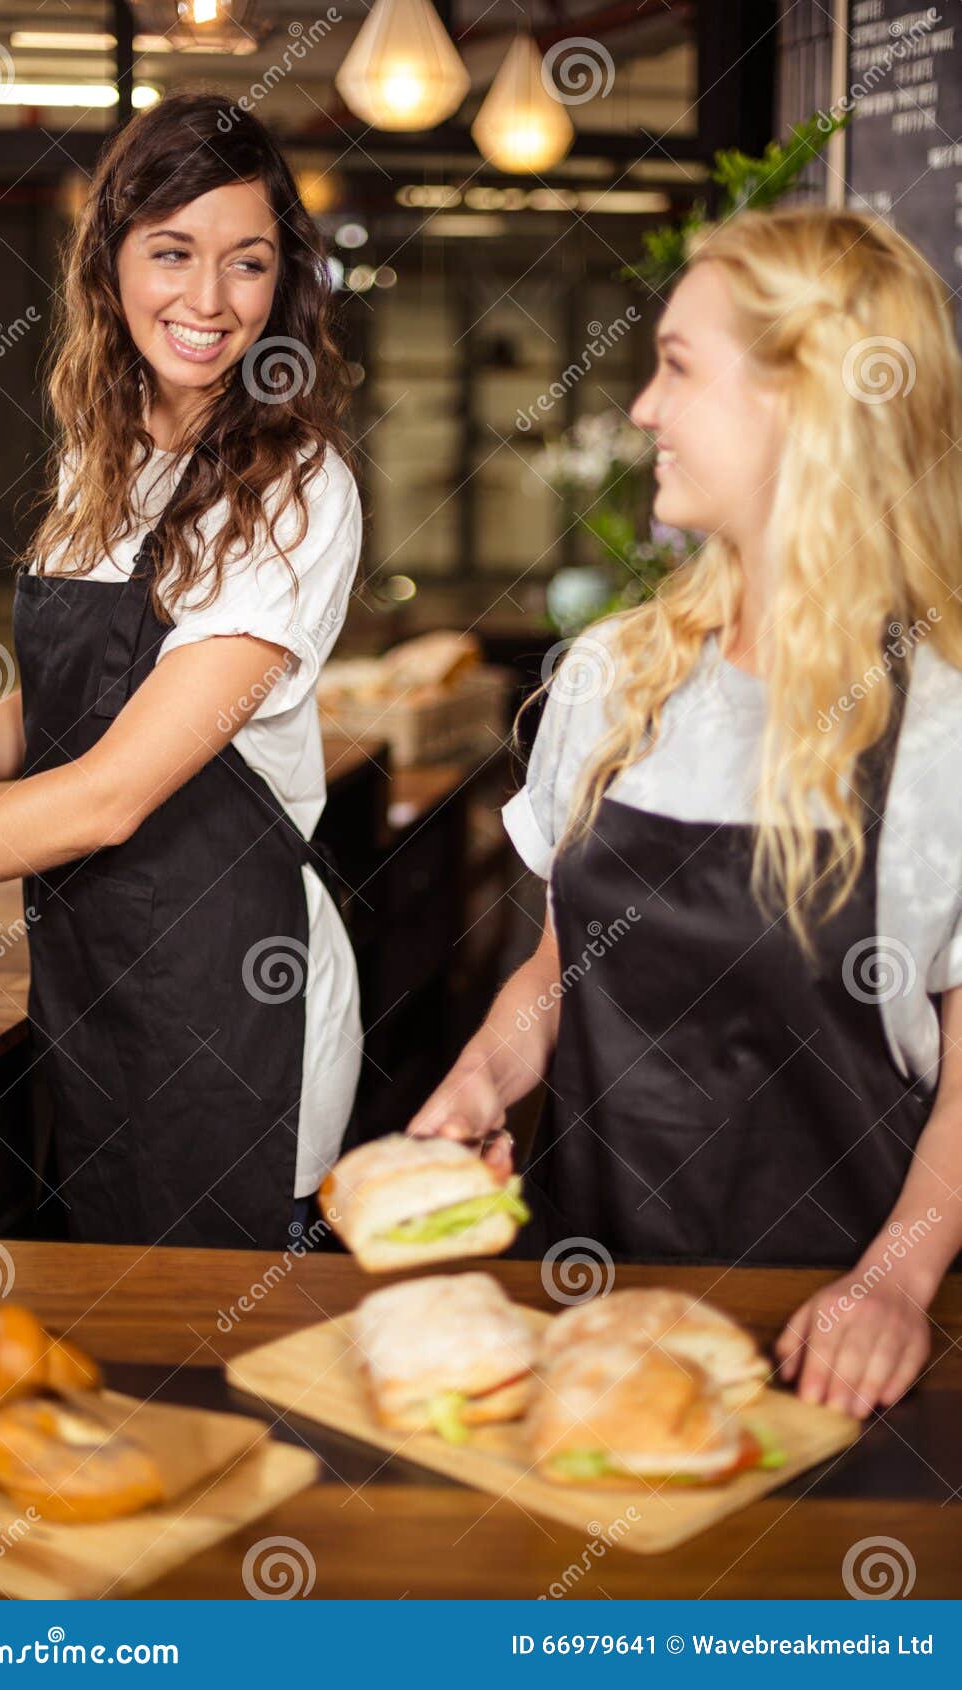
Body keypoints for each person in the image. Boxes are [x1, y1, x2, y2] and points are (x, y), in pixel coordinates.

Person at [409, 206, 962, 1419]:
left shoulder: (942, 726)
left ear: (804, 402)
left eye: (674, 367)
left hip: (832, 1345)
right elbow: (557, 971)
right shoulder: (615, 675)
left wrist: (893, 1280)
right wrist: (482, 1073)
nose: (643, 410)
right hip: (580, 1311)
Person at [0, 92, 362, 1250]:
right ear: (108, 262)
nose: (207, 302)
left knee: (210, 1358)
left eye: (246, 263)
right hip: (96, 968)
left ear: (283, 281)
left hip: (231, 991)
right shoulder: (101, 459)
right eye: (172, 253)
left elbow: (110, 791)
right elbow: (75, 706)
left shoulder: (295, 490)